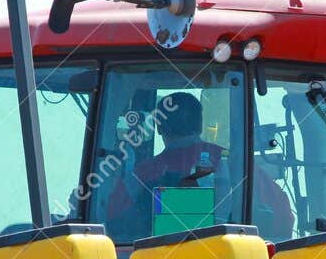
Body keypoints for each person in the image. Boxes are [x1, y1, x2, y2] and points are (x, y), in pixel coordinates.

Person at [106, 91, 295, 241]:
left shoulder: (144, 173)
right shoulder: (234, 164)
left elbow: (111, 221)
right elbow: (284, 219)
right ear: (200, 124)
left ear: (160, 128)